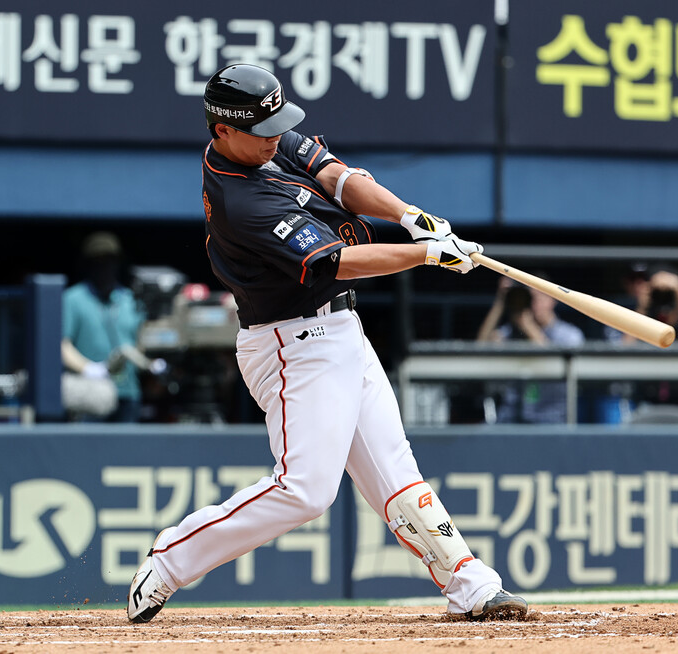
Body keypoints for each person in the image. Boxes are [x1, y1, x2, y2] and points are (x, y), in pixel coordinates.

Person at [127, 64, 527, 624]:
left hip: (339, 332)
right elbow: (338, 263)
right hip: (292, 345)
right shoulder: (242, 205)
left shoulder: (264, 138)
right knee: (305, 492)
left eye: (277, 125)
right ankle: (172, 559)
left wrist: (411, 218)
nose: (276, 137)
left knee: (395, 468)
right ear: (222, 130)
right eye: (263, 129)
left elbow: (339, 178)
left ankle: (471, 585)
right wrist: (425, 254)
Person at [61, 232, 148, 422]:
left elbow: (143, 341)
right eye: (98, 262)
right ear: (88, 265)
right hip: (91, 393)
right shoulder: (73, 299)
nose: (105, 268)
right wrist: (89, 369)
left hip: (128, 392)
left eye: (110, 261)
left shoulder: (130, 300)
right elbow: (62, 346)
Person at [477, 277, 585, 423]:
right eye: (530, 298)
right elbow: (480, 346)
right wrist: (501, 302)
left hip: (551, 416)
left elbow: (553, 362)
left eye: (538, 298)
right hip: (512, 417)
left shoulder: (569, 334)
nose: (533, 304)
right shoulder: (513, 332)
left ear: (553, 299)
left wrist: (529, 327)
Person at [606, 262, 678, 344]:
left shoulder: (670, 303)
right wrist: (642, 308)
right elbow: (626, 346)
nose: (638, 284)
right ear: (625, 283)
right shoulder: (621, 306)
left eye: (643, 279)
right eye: (633, 279)